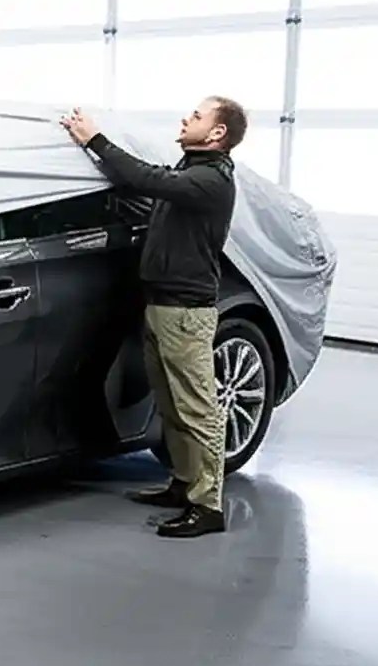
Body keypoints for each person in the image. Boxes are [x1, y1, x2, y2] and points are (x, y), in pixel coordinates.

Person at [59, 96, 246, 538]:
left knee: (197, 409)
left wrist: (95, 140)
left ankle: (207, 506)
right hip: (164, 306)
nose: (187, 118)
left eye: (198, 116)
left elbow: (144, 178)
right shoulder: (190, 170)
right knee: (172, 405)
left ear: (217, 134)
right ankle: (182, 485)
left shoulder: (210, 181)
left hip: (185, 312)